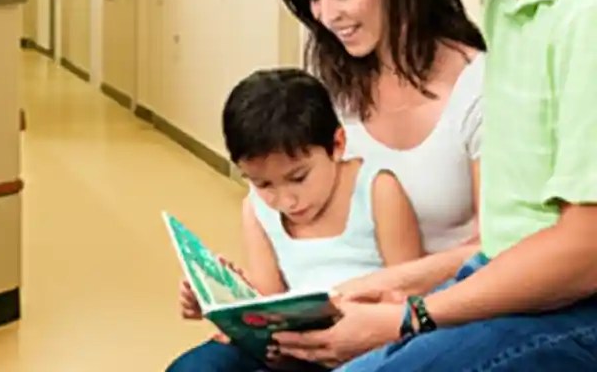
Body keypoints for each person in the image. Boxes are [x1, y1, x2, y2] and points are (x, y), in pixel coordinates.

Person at [274, 0, 597, 370]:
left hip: (577, 303)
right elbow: (509, 238)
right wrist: (398, 289)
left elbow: (586, 251)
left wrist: (411, 313)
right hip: (512, 272)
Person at [277, 0, 488, 292]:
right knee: (201, 361)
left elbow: (497, 248)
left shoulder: (478, 89)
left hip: (440, 314)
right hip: (341, 302)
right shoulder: (330, 90)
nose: (326, 15)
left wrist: (380, 290)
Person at [167, 68, 423, 371]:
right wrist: (227, 301)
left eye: (298, 177)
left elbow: (411, 290)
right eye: (263, 184)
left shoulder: (377, 190)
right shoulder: (256, 208)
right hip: (291, 347)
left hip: (367, 340)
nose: (286, 200)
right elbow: (269, 297)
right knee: (195, 367)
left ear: (337, 144)